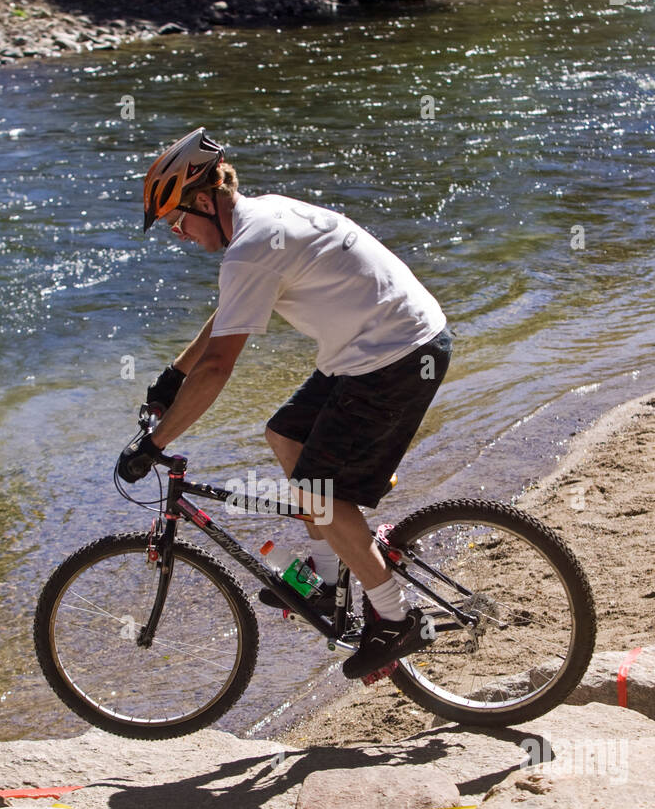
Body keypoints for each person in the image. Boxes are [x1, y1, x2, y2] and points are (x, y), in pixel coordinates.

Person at [121, 127, 452, 681]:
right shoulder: (263, 217)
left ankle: (396, 619)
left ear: (204, 199)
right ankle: (325, 582)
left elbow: (220, 368)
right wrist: (172, 375)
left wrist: (155, 443)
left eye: (178, 222)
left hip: (393, 355)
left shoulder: (250, 249)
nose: (178, 235)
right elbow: (230, 313)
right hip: (384, 344)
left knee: (321, 493)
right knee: (286, 436)